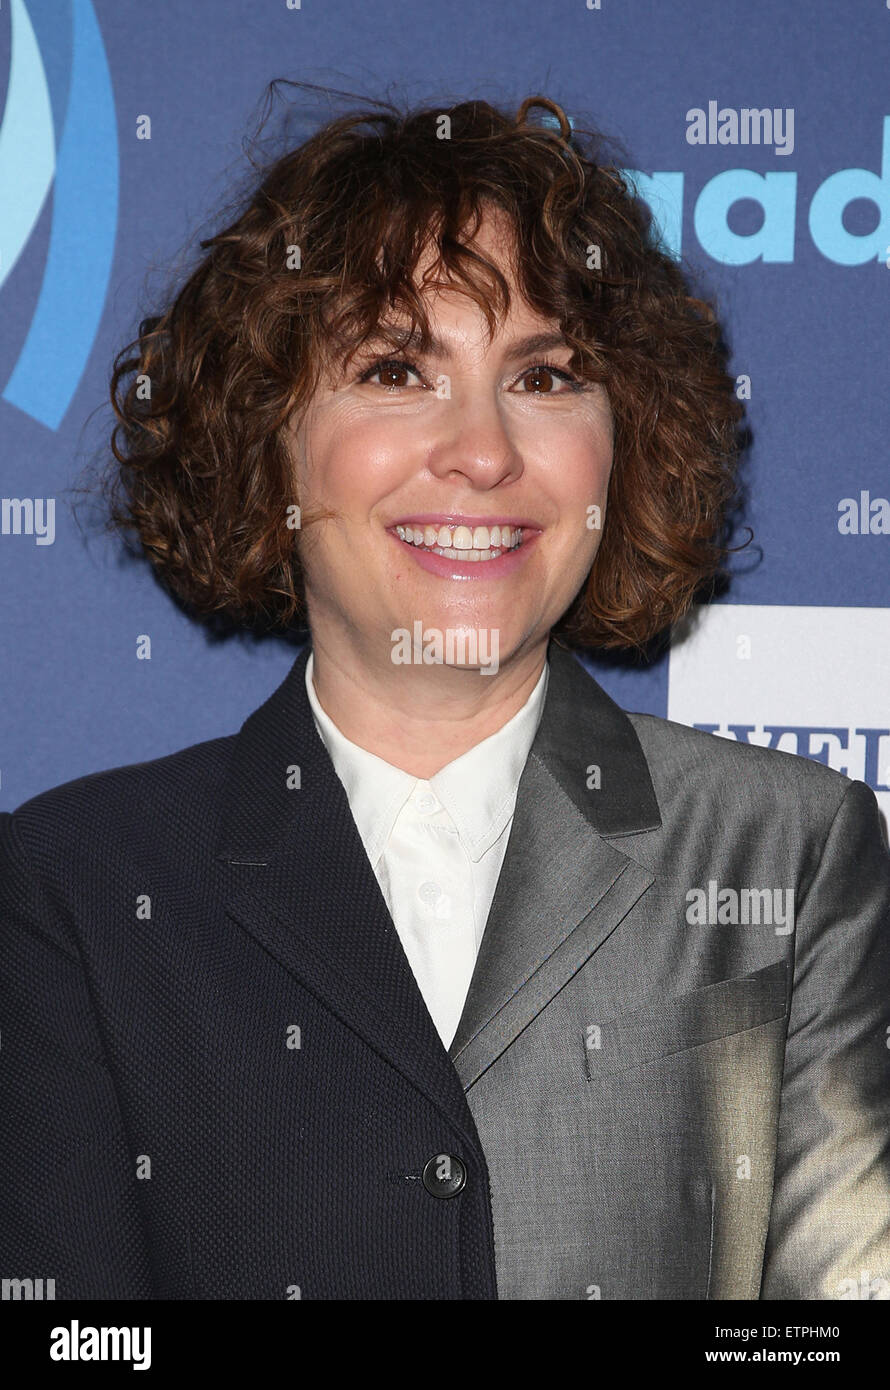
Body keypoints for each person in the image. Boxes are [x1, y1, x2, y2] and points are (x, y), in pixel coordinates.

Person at [1, 93, 888, 1302]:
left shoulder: (788, 844)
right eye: (395, 367)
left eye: (544, 374)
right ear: (268, 443)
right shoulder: (76, 884)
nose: (481, 450)